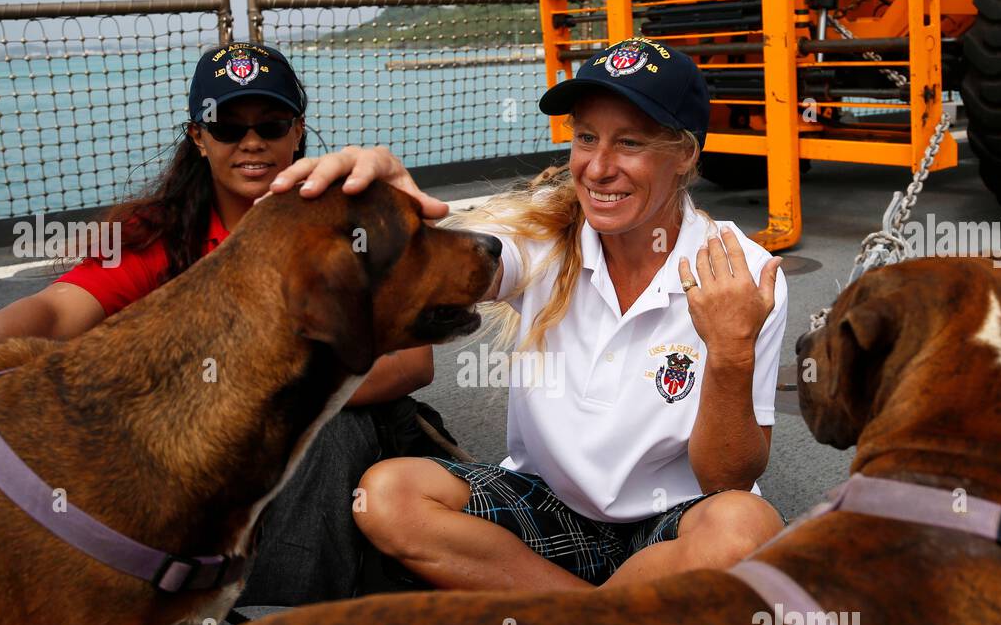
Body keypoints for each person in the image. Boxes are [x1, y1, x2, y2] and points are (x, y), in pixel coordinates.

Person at [270, 37, 788, 593]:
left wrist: (732, 352)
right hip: (549, 509)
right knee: (387, 495)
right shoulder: (546, 233)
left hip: (670, 521)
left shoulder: (743, 277)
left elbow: (727, 479)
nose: (598, 168)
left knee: (744, 528)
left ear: (685, 153)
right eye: (586, 137)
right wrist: (388, 214)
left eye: (630, 142)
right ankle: (598, 623)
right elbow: (469, 264)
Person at [0, 41, 444, 606]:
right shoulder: (164, 233)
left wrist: (268, 389)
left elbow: (414, 361)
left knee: (320, 428)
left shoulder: (347, 219)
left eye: (271, 124)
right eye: (227, 128)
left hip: (337, 430)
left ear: (297, 131)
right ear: (199, 138)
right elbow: (56, 310)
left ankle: (272, 624)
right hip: (204, 447)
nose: (252, 142)